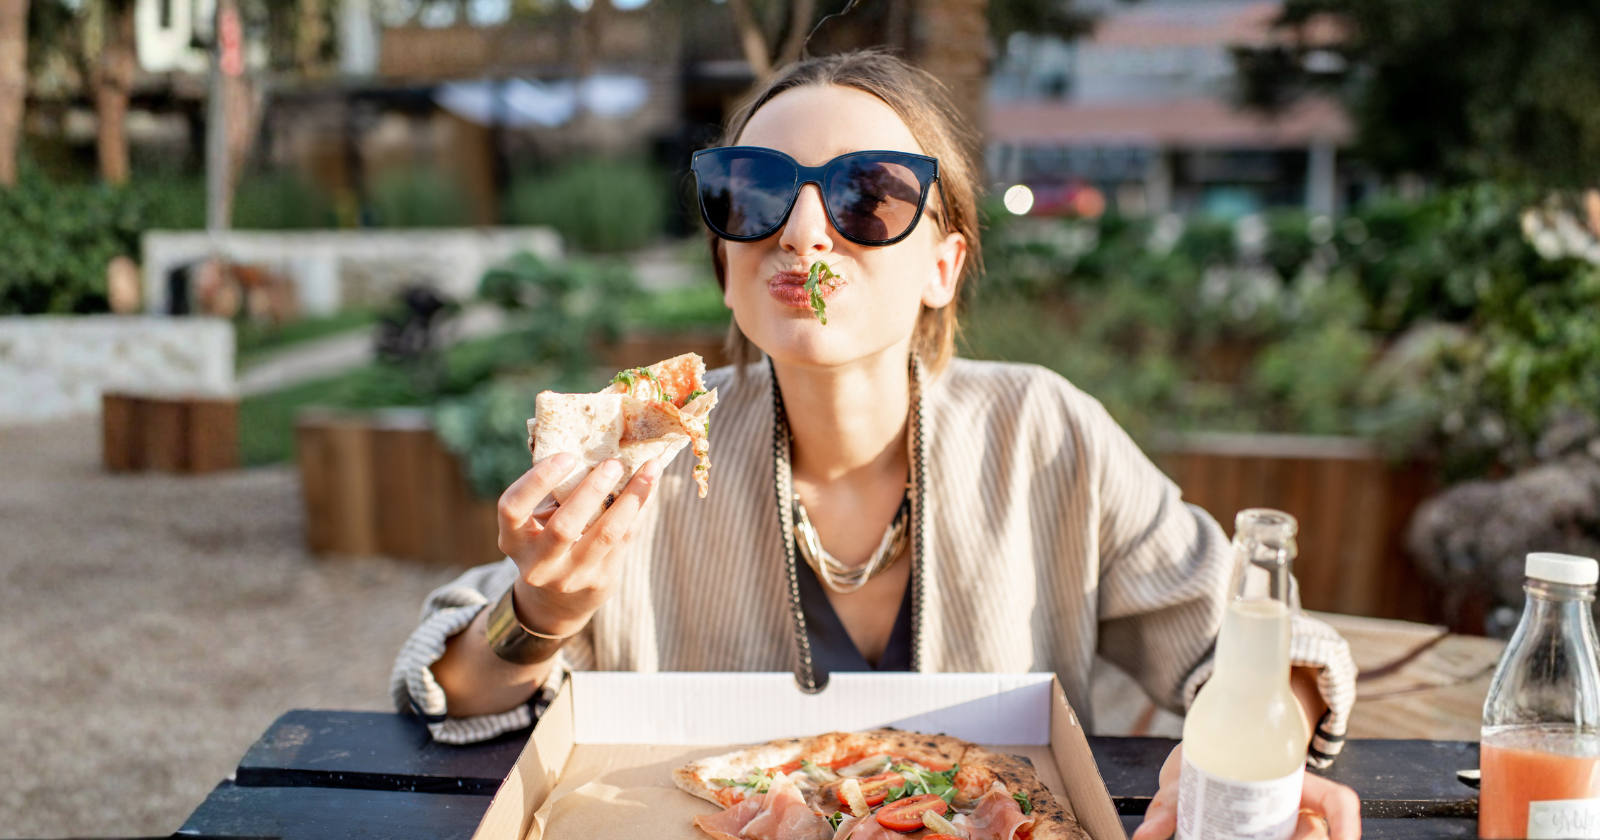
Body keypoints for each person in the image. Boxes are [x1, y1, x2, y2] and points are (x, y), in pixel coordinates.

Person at [390, 50, 1361, 839]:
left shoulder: (1044, 434)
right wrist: (545, 611)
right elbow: (451, 690)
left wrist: (1242, 757)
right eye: (753, 192)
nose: (804, 231)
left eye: (868, 196)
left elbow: (1261, 650)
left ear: (943, 265)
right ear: (724, 259)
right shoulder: (650, 449)